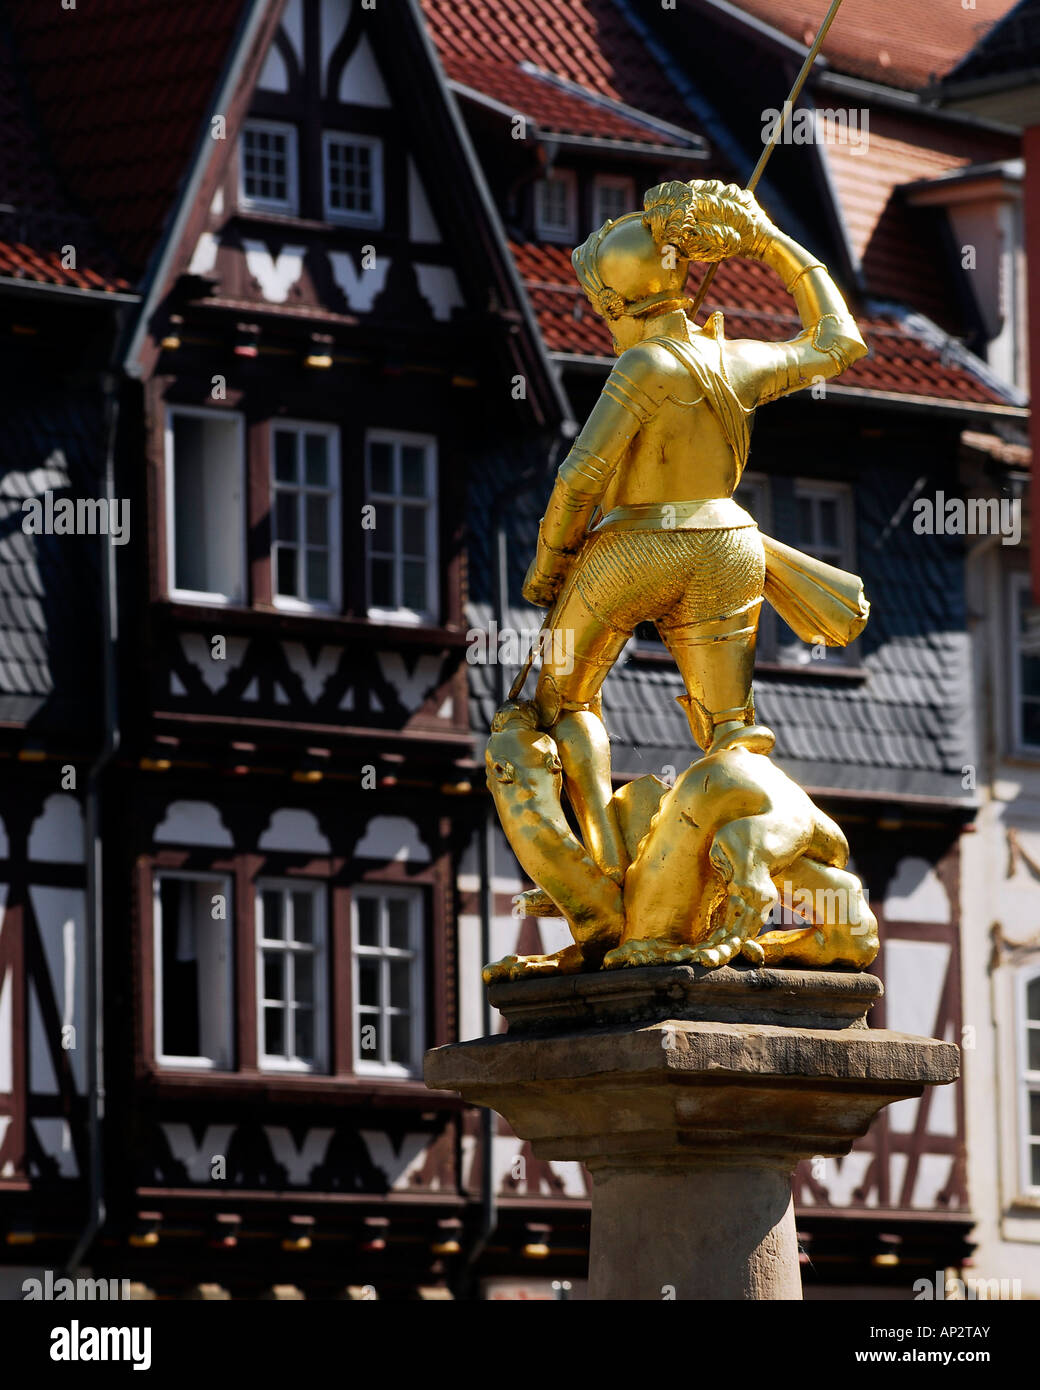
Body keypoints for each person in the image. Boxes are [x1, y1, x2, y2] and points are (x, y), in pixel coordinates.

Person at [521, 178, 869, 888]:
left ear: (615, 304)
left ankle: (608, 868)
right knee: (730, 733)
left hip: (634, 548)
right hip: (728, 544)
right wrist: (768, 240)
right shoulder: (736, 360)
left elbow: (581, 479)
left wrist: (549, 566)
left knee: (562, 701)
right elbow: (840, 341)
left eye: (601, 308)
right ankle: (742, 873)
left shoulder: (640, 364)